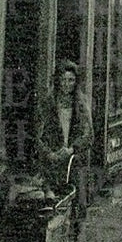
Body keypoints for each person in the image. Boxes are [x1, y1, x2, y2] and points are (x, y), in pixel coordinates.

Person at [35, 60, 93, 212]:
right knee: (54, 205)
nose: (67, 84)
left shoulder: (81, 105)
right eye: (63, 80)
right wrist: (49, 153)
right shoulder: (47, 104)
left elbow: (89, 135)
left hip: (74, 161)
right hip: (52, 163)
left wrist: (72, 149)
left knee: (77, 204)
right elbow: (37, 136)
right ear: (57, 81)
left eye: (71, 80)